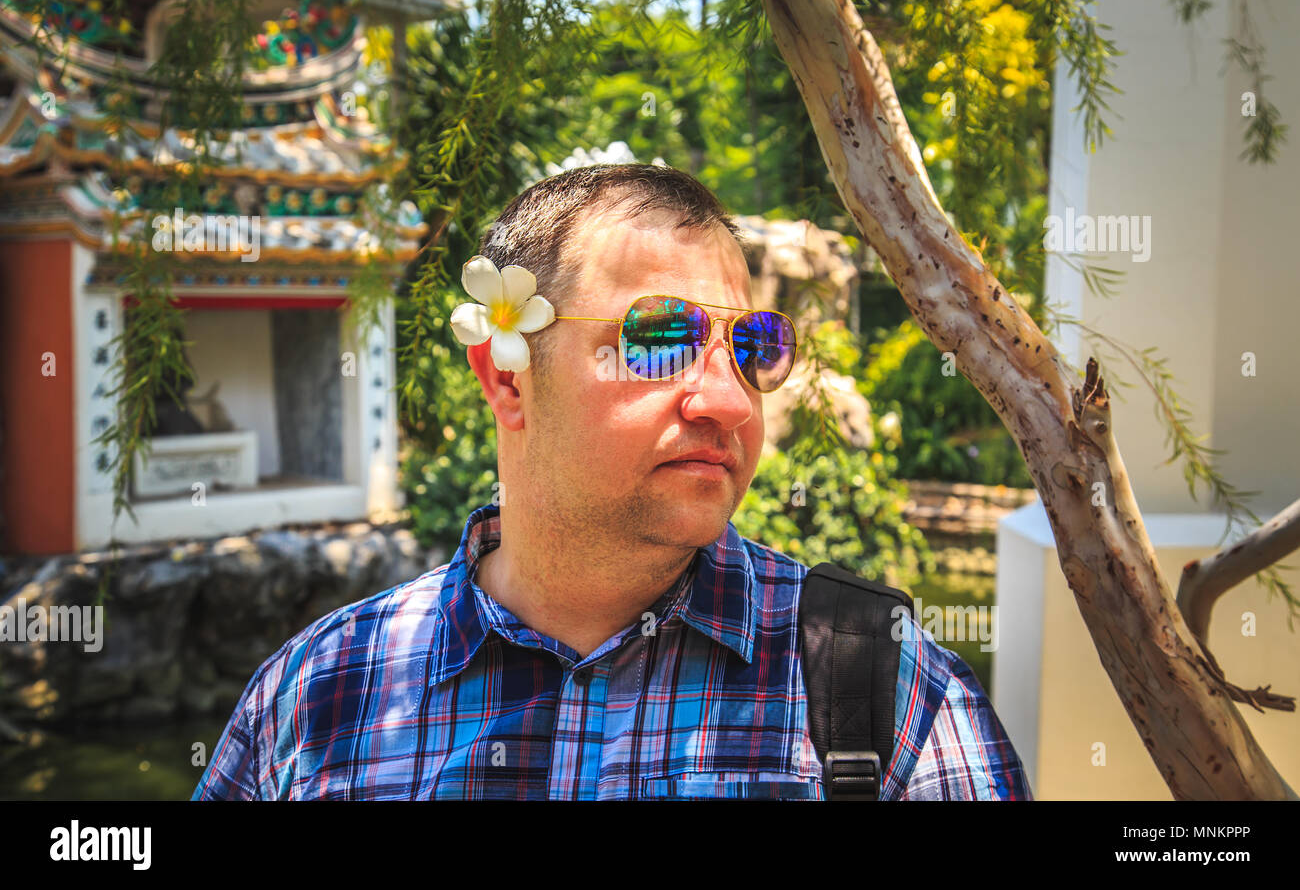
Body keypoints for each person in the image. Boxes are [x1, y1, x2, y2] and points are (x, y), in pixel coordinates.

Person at [192, 163, 1032, 800]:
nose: (728, 400)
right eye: (662, 337)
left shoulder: (882, 692)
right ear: (510, 379)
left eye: (753, 346)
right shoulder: (320, 698)